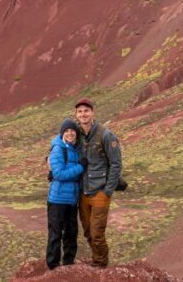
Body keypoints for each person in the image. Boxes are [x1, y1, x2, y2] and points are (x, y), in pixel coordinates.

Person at [75, 97, 122, 268]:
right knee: (88, 232)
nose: (83, 114)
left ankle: (101, 267)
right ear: (76, 115)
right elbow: (62, 145)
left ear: (93, 113)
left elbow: (116, 164)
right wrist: (49, 158)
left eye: (86, 111)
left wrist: (108, 190)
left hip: (100, 192)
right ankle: (96, 261)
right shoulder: (76, 134)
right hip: (83, 192)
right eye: (80, 111)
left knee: (97, 233)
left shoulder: (106, 135)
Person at [46, 118, 85, 270]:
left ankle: (68, 264)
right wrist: (80, 167)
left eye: (72, 131)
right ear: (62, 133)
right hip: (57, 200)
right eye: (67, 131)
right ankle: (53, 266)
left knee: (71, 232)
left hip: (71, 200)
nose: (70, 133)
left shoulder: (75, 149)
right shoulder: (58, 149)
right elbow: (59, 174)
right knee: (55, 233)